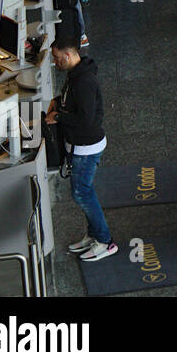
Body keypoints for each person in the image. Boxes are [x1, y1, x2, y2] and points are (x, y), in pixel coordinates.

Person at [46, 37, 116, 262]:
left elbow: (86, 120)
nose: (54, 62)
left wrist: (58, 116)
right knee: (83, 191)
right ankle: (94, 234)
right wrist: (58, 102)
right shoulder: (75, 75)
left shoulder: (83, 81)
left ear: (67, 55)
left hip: (86, 147)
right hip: (79, 145)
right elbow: (74, 103)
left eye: (56, 57)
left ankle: (105, 241)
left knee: (82, 193)